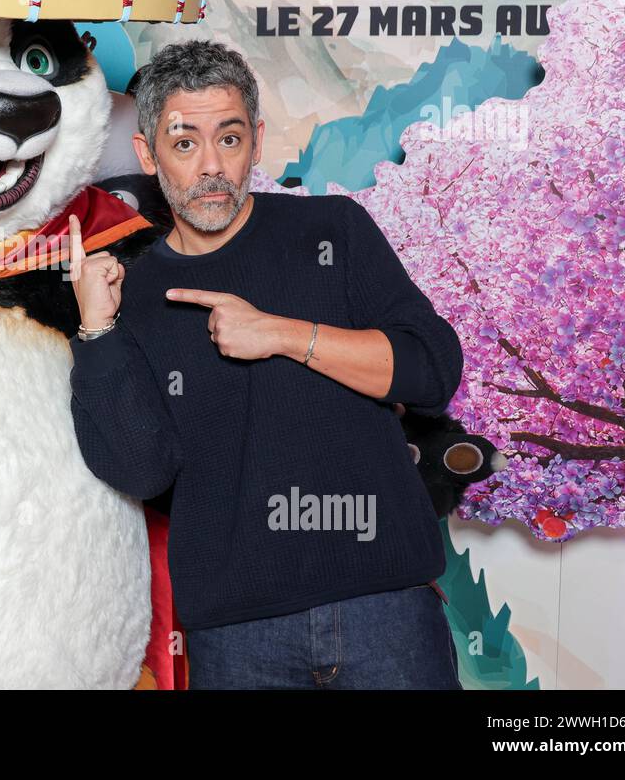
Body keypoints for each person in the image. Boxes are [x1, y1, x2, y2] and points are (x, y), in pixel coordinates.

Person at [66, 40, 464, 689]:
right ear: (147, 154)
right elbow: (141, 469)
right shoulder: (131, 295)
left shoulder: (332, 230)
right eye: (184, 142)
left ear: (255, 139)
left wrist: (281, 333)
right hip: (237, 638)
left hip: (384, 608)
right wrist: (97, 329)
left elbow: (431, 369)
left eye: (228, 138)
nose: (212, 166)